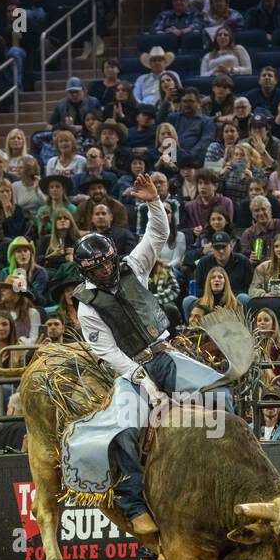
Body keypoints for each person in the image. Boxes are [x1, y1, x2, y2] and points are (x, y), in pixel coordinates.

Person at [73, 172, 213, 540]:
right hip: (130, 369)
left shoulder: (133, 266)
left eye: (107, 261)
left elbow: (156, 235)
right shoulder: (87, 308)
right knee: (123, 431)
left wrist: (153, 201)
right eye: (97, 267)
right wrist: (144, 382)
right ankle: (134, 506)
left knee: (217, 392)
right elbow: (109, 353)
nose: (105, 269)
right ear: (87, 271)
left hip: (166, 351)